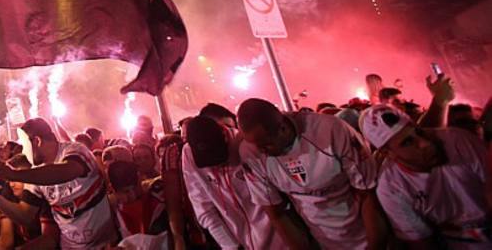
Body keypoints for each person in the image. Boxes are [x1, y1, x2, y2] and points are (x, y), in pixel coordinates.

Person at [238, 97, 385, 249]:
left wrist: (375, 245)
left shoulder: (330, 130)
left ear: (282, 128)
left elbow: (368, 194)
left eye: (266, 145)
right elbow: (276, 214)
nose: (261, 151)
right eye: (256, 146)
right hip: (320, 241)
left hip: (364, 233)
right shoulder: (251, 153)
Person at [361, 103, 491, 248]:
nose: (424, 143)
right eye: (408, 142)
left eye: (419, 132)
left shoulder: (458, 141)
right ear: (387, 153)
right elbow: (422, 242)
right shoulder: (391, 187)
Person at [0, 118, 117, 249]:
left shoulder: (76, 151)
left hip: (105, 244)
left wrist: (14, 174)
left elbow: (67, 171)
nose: (23, 151)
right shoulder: (36, 175)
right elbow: (25, 216)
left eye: (25, 145)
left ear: (37, 141)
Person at [181, 115, 282, 249]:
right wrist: (230, 246)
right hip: (239, 244)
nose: (214, 165)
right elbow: (203, 208)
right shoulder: (188, 154)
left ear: (224, 135)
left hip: (279, 240)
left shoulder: (246, 143)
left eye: (217, 155)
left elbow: (275, 200)